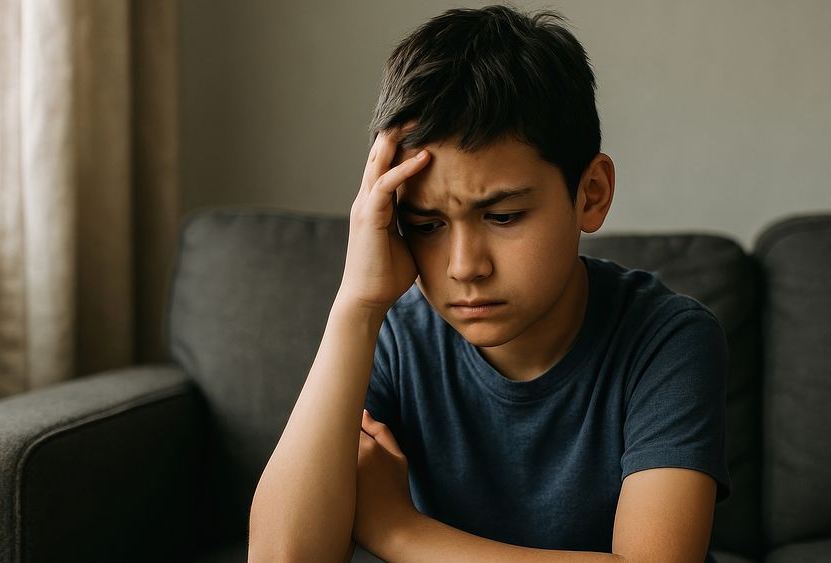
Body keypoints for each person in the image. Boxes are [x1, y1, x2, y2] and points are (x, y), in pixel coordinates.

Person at [248, 5, 731, 562]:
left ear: (591, 193)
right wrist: (356, 304)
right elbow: (281, 558)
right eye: (425, 226)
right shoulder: (393, 336)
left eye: (502, 217)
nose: (464, 266)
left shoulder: (667, 339)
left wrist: (396, 530)